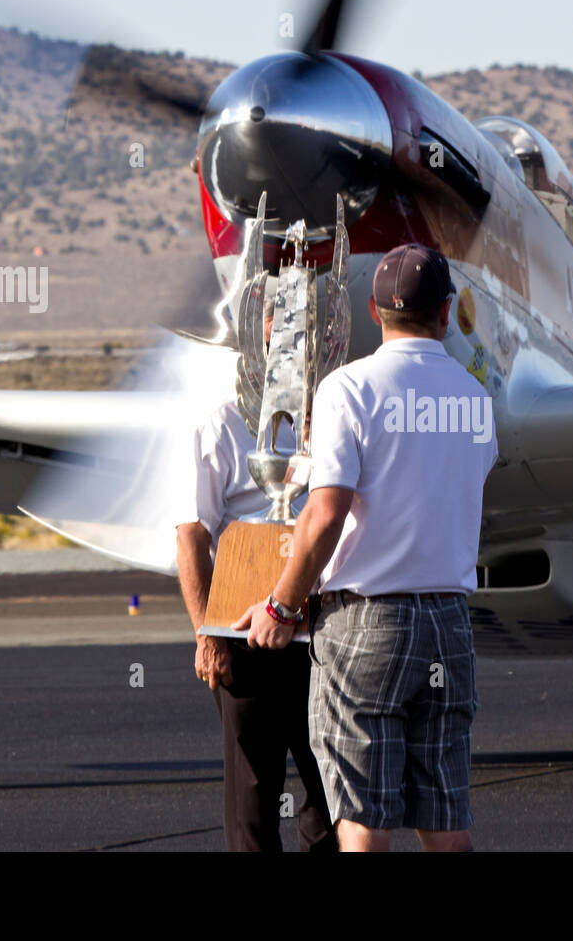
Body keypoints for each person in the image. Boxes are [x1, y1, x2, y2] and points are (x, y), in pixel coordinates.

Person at [235, 243, 498, 852]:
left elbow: (325, 515)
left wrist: (279, 606)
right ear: (445, 312)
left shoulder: (347, 389)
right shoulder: (475, 398)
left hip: (367, 623)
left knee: (361, 818)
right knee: (445, 817)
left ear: (375, 315)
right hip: (449, 620)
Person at [173, 293, 335, 853]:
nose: (288, 344)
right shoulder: (220, 421)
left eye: (300, 332)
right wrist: (206, 633)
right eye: (276, 329)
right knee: (252, 796)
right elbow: (192, 534)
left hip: (322, 629)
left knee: (330, 788)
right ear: (254, 335)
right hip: (243, 634)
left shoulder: (335, 415)